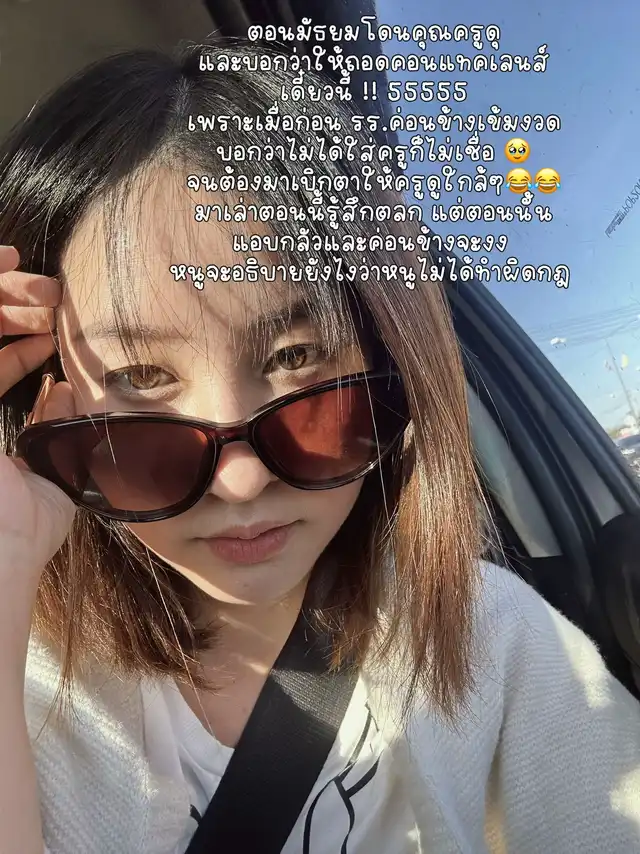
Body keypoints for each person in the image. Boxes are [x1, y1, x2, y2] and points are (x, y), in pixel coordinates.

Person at [0, 41, 639, 854]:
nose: (240, 481)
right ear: (48, 398)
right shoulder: (25, 665)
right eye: (140, 376)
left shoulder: (488, 635)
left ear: (387, 358)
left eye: (296, 356)